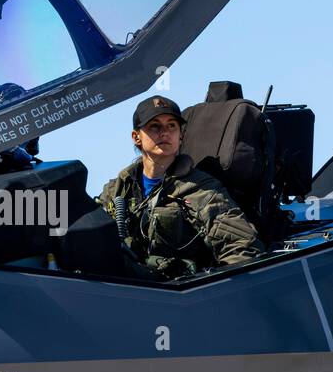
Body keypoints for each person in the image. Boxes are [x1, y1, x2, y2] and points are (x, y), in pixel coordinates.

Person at [98, 96, 264, 280]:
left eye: (172, 126)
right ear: (136, 137)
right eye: (154, 126)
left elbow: (241, 246)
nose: (165, 133)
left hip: (181, 294)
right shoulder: (118, 189)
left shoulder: (200, 190)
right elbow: (85, 231)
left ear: (180, 135)